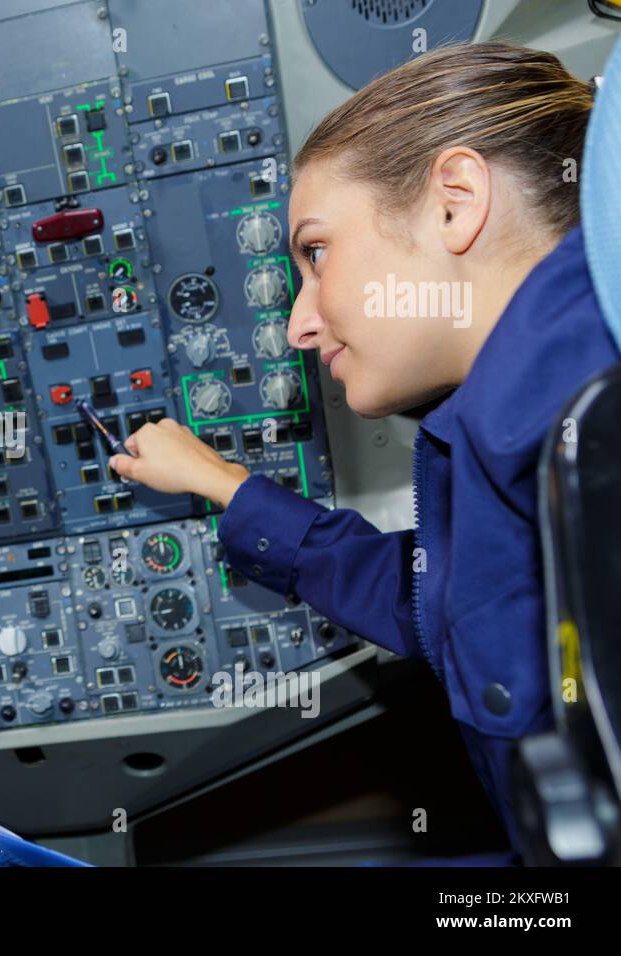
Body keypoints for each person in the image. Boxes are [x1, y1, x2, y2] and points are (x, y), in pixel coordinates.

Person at [111, 42, 620, 862]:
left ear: (455, 203)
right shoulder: (518, 427)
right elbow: (447, 601)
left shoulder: (572, 429)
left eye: (316, 253)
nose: (297, 326)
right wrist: (228, 485)